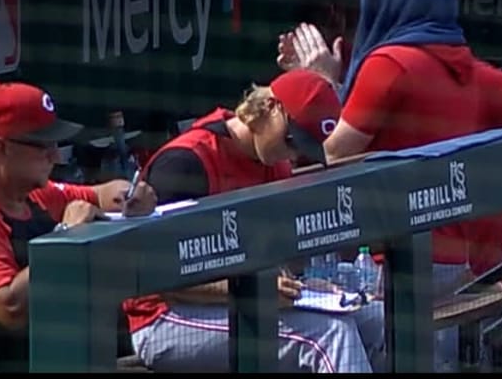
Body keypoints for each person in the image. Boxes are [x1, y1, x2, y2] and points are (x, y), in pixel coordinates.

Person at [313, 0, 502, 372]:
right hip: (452, 257)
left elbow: (330, 155)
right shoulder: (463, 65)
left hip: (390, 261)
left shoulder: (390, 64)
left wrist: (317, 86)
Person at [122, 73, 386, 373]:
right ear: (270, 107)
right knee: (330, 335)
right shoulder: (187, 162)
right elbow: (163, 277)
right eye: (291, 140)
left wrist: (303, 285)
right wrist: (252, 290)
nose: (292, 153)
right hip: (166, 317)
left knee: (377, 318)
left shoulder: (275, 165)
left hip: (237, 303)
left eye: (303, 148)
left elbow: (276, 256)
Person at [0, 81, 157, 373]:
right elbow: (9, 309)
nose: (55, 156)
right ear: (1, 148)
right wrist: (65, 236)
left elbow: (103, 193)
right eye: (42, 146)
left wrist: (131, 194)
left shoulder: (34, 194)